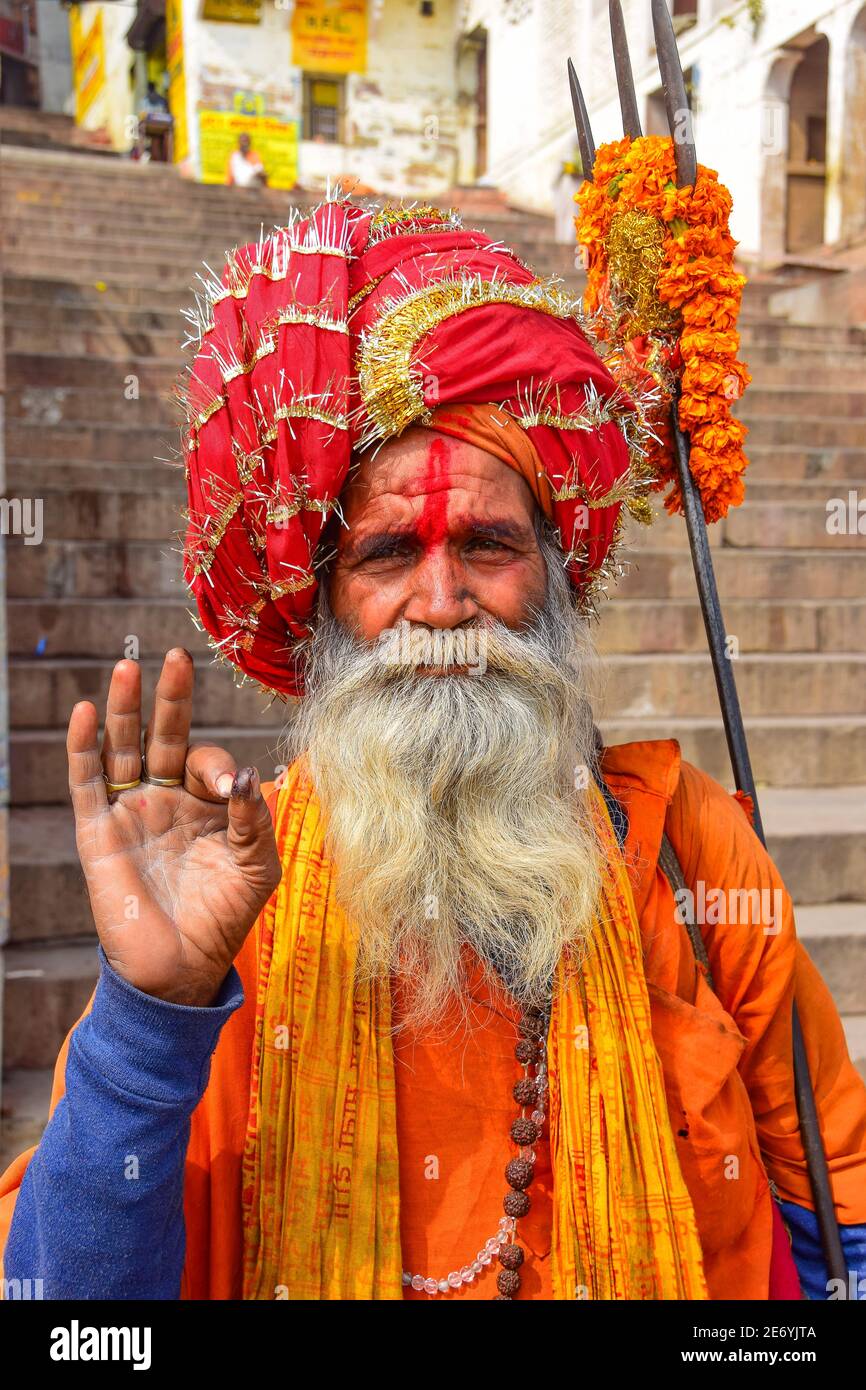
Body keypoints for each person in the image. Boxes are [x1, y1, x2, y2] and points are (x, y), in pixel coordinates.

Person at [1, 199, 865, 1301]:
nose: (444, 602)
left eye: (490, 545)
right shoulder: (229, 901)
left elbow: (838, 1229)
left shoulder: (686, 853)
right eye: (389, 552)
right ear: (321, 602)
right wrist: (149, 1015)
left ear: (556, 574)